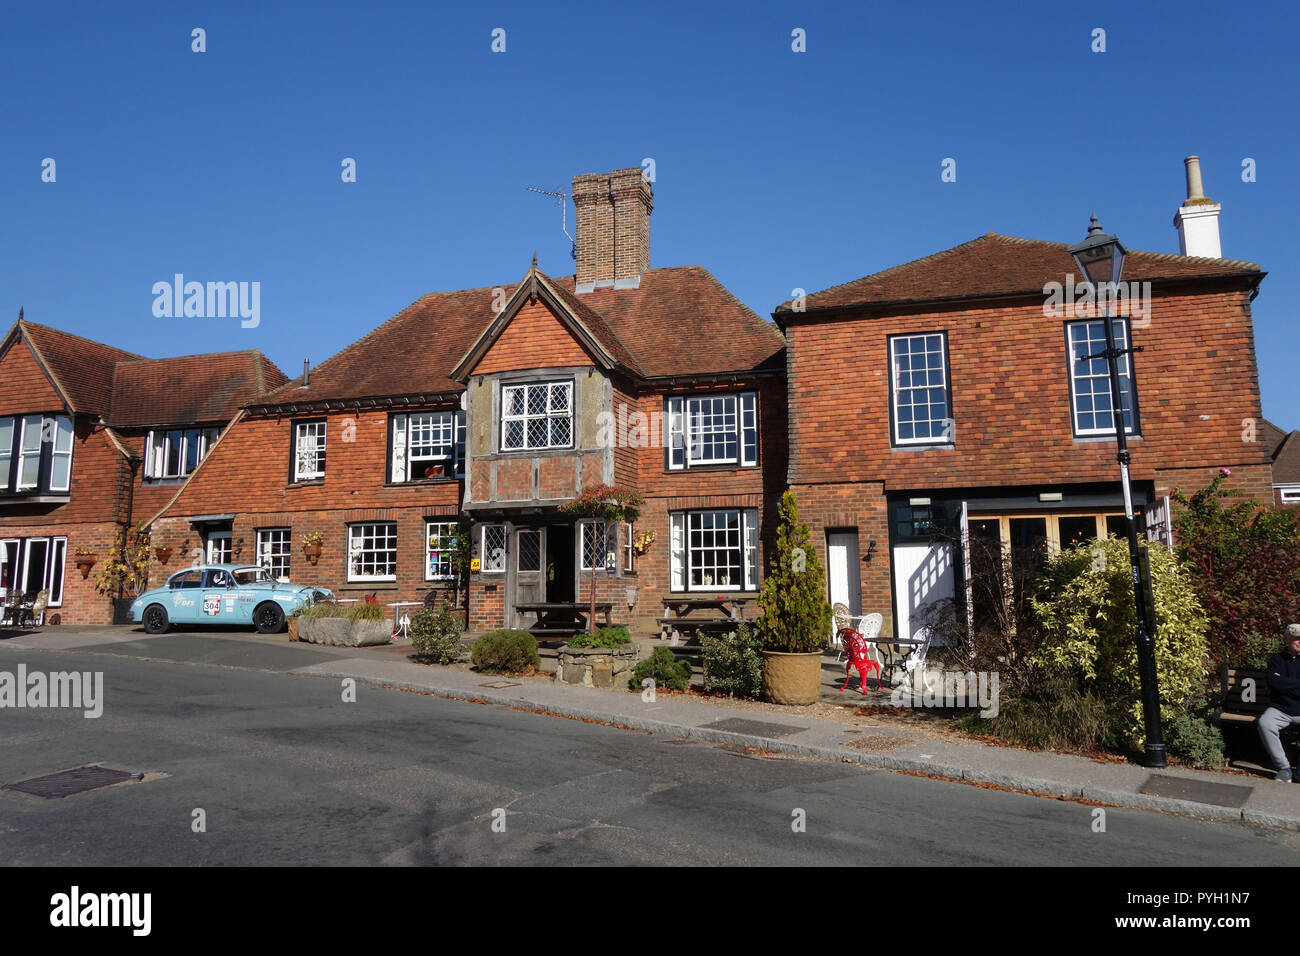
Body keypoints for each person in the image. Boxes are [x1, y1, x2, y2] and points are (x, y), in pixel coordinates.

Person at [1259, 623, 1300, 781]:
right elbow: (1274, 683)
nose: (1299, 641)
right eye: (1296, 638)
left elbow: (1281, 683)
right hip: (1281, 709)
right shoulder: (1276, 660)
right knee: (1265, 723)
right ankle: (1284, 768)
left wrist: (1285, 683)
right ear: (1287, 639)